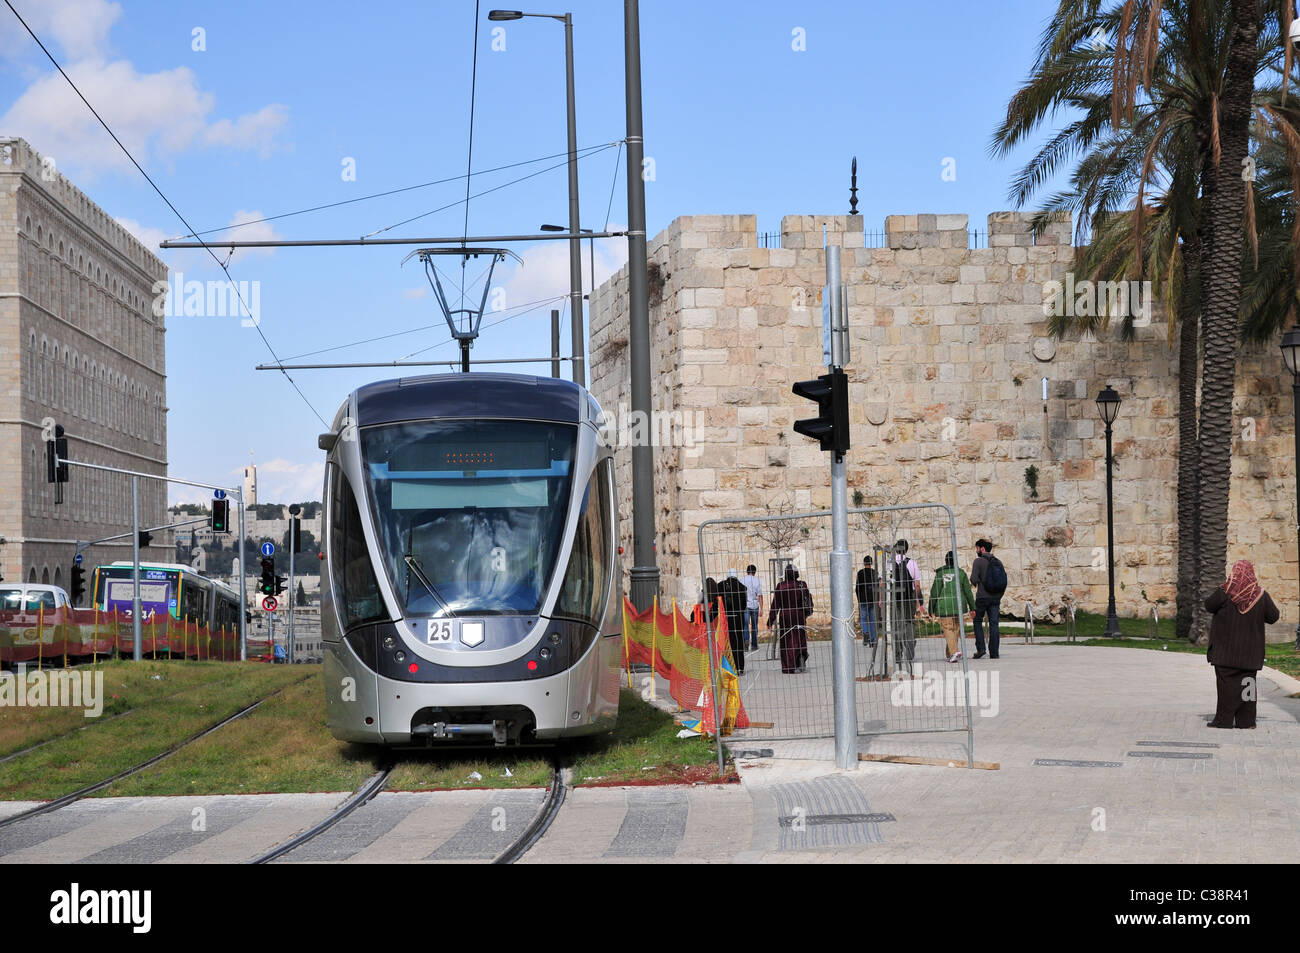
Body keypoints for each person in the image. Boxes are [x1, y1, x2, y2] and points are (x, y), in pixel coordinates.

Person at [1205, 560, 1278, 729]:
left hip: (1225, 652)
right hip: (1250, 654)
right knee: (1248, 687)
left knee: (1226, 687)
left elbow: (1208, 605)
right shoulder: (1261, 595)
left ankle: (1223, 720)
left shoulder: (1224, 592)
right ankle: (1246, 722)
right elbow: (1273, 617)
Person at [928, 551, 975, 663]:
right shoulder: (961, 573)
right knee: (955, 630)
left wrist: (931, 607)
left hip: (944, 606)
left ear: (946, 561)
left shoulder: (941, 574)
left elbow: (935, 591)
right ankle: (951, 654)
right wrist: (973, 607)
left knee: (948, 629)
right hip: (958, 606)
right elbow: (968, 592)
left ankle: (954, 652)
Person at [767, 565, 813, 674]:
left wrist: (770, 620)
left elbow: (775, 605)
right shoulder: (802, 584)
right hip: (799, 614)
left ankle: (789, 666)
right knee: (800, 638)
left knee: (787, 641)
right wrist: (806, 614)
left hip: (786, 615)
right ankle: (800, 657)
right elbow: (807, 600)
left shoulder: (781, 586)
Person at [891, 540, 922, 670]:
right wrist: (917, 600)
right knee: (909, 623)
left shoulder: (889, 563)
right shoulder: (912, 563)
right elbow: (917, 585)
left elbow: (882, 583)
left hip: (894, 599)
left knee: (896, 624)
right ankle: (909, 653)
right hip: (908, 598)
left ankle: (897, 654)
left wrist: (882, 600)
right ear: (907, 549)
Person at [969, 539, 1002, 659]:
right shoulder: (997, 561)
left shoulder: (978, 561)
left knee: (977, 621)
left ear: (982, 548)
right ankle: (994, 652)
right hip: (995, 598)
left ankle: (981, 648)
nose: (976, 551)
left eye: (977, 548)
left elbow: (973, 579)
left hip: (982, 597)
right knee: (994, 624)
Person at [718, 568, 748, 675]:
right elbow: (744, 605)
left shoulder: (720, 586)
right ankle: (740, 667)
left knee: (726, 642)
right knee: (738, 642)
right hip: (738, 619)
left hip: (724, 619)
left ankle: (728, 666)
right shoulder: (742, 587)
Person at [856, 555, 880, 646]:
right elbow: (877, 586)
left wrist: (859, 599)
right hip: (873, 599)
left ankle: (866, 632)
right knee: (872, 619)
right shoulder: (875, 573)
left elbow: (857, 587)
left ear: (864, 563)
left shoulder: (860, 573)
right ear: (871, 563)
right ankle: (872, 640)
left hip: (863, 599)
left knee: (863, 618)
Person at [742, 564, 764, 652]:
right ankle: (754, 645)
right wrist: (761, 608)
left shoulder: (742, 580)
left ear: (747, 571)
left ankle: (746, 642)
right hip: (755, 605)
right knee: (754, 626)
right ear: (754, 572)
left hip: (745, 605)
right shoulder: (757, 581)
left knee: (745, 625)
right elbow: (760, 595)